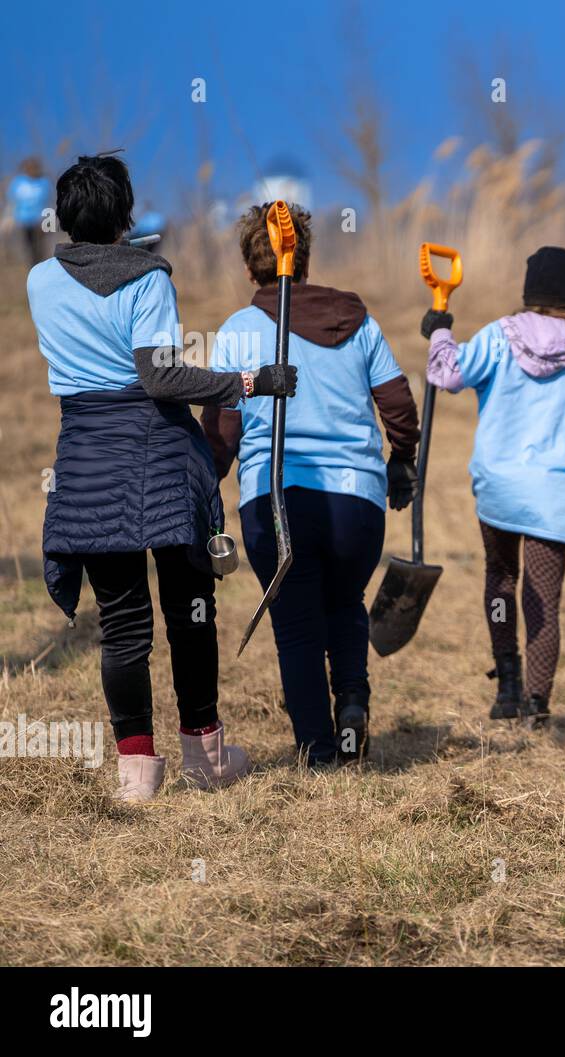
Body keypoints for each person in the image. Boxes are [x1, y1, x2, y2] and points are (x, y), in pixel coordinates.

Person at [27, 153, 295, 802]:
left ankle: (136, 772)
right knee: (190, 611)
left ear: (62, 218)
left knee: (122, 623)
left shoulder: (39, 280)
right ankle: (205, 756)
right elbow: (160, 376)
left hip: (86, 455)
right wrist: (250, 382)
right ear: (125, 215)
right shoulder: (147, 278)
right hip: (158, 454)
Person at [204, 204, 419, 766]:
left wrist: (204, 487)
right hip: (360, 503)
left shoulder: (236, 332)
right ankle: (350, 704)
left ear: (254, 268)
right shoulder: (358, 322)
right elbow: (397, 402)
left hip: (277, 499)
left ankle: (320, 754)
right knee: (345, 601)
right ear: (303, 260)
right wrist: (402, 460)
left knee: (298, 626)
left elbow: (222, 434)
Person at [424, 246, 565, 726]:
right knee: (544, 602)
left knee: (500, 582)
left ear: (529, 290)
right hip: (554, 498)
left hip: (499, 489)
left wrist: (440, 333)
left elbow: (446, 375)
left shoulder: (499, 335)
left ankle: (508, 686)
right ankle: (537, 703)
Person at [8, 157, 51, 265]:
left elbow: (49, 203)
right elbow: (12, 202)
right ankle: (32, 267)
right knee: (29, 247)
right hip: (24, 221)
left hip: (40, 221)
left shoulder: (44, 182)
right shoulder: (18, 183)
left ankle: (41, 266)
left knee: (41, 247)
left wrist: (49, 222)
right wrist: (9, 220)